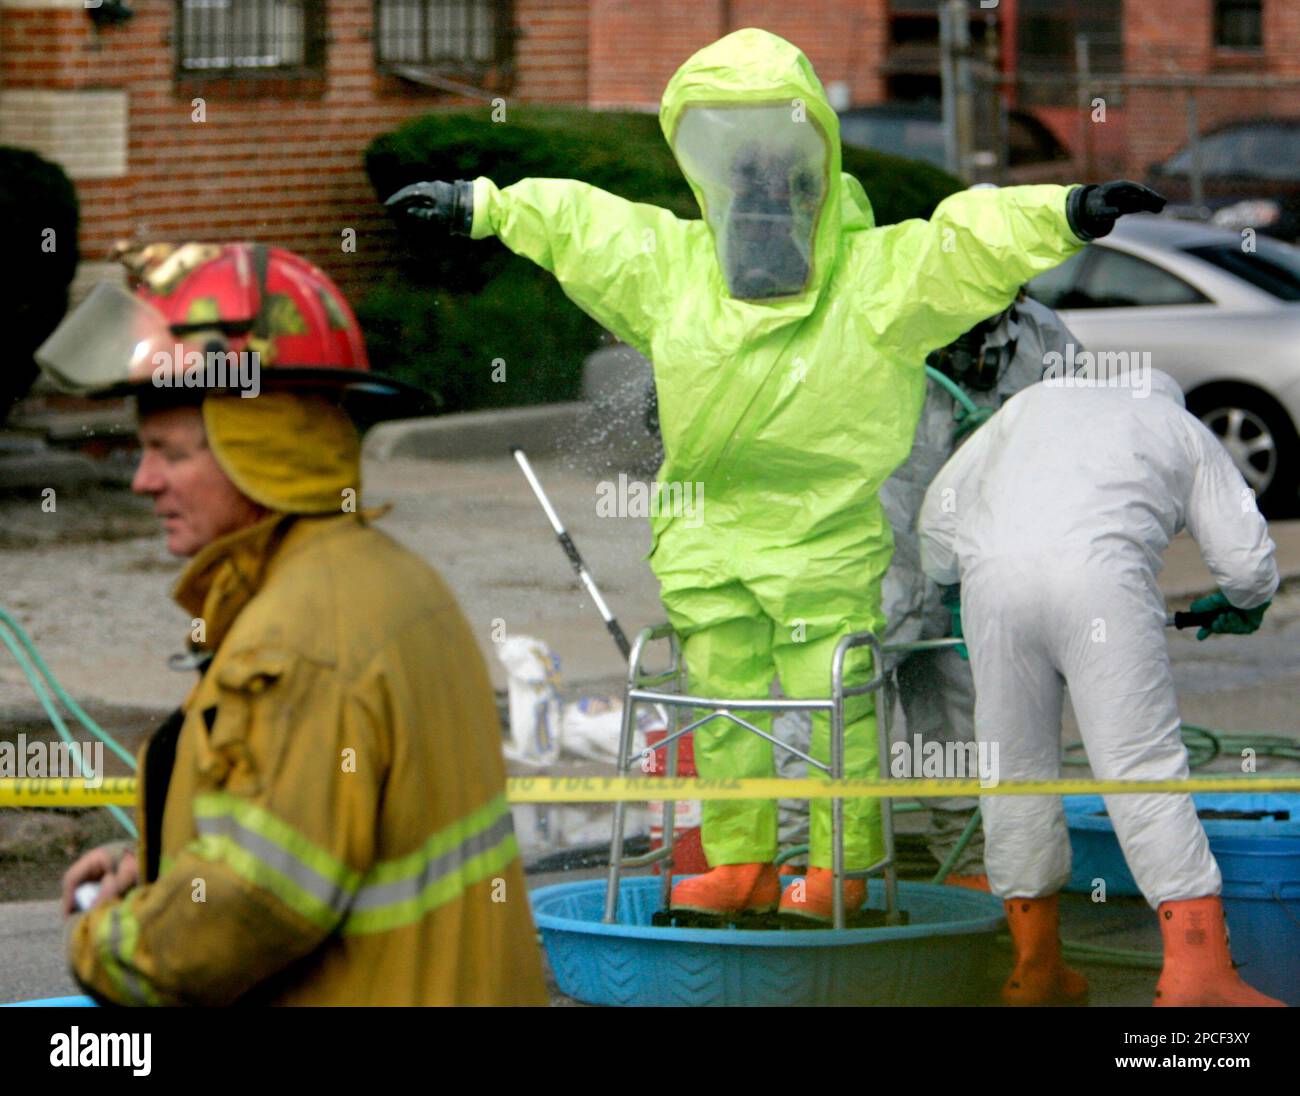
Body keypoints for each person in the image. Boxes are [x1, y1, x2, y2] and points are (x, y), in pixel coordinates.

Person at [386, 26, 1165, 922]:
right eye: (744, 181)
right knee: (720, 706)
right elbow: (584, 225)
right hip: (705, 532)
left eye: (783, 181)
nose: (763, 205)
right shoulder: (675, 271)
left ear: (815, 178)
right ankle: (742, 862)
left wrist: (1068, 211)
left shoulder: (872, 282)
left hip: (822, 536)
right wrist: (479, 205)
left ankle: (846, 867)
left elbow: (966, 242)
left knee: (831, 704)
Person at [39, 242, 548, 1005]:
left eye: (167, 453)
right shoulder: (386, 579)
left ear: (260, 451)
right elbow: (307, 830)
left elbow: (256, 900)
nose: (143, 482)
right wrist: (165, 867)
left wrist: (106, 940)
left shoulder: (297, 642)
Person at [917, 363, 1283, 1006]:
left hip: (994, 590)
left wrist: (971, 578)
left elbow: (936, 536)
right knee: (1140, 766)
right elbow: (1249, 564)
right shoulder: (1177, 423)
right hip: (1101, 587)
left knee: (1015, 772)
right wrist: (1244, 600)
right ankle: (1196, 974)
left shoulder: (1022, 411)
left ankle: (1035, 968)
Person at [776, 290, 1082, 889]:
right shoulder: (889, 302)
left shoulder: (1038, 332)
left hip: (971, 560)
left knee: (959, 712)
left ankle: (965, 863)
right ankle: (799, 861)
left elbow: (1079, 424)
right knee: (834, 696)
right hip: (874, 552)